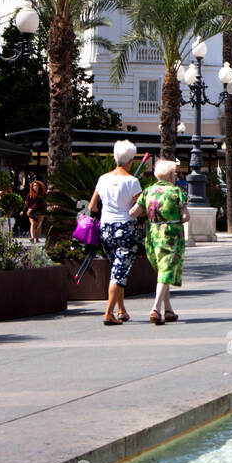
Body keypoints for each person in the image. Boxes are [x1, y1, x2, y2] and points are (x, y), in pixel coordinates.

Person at [88, 140, 143, 327]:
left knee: (116, 269)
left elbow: (92, 206)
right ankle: (109, 312)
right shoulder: (132, 182)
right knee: (119, 273)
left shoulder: (103, 179)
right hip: (126, 229)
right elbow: (140, 207)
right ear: (130, 160)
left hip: (106, 229)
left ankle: (121, 310)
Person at [135, 159, 190, 326]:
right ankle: (155, 308)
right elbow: (186, 216)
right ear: (172, 175)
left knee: (162, 271)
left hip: (152, 235)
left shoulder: (148, 191)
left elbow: (134, 212)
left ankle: (168, 310)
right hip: (171, 235)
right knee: (166, 272)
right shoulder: (176, 192)